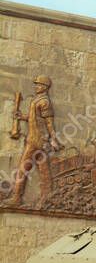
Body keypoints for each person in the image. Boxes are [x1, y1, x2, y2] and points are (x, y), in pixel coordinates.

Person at [11, 75, 60, 205]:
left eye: (38, 84)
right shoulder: (36, 100)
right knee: (43, 169)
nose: (36, 86)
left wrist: (53, 139)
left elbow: (49, 123)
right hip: (35, 139)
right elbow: (35, 118)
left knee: (23, 168)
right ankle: (47, 197)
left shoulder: (45, 102)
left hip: (37, 141)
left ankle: (17, 198)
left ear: (45, 87)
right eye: (35, 84)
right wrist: (22, 117)